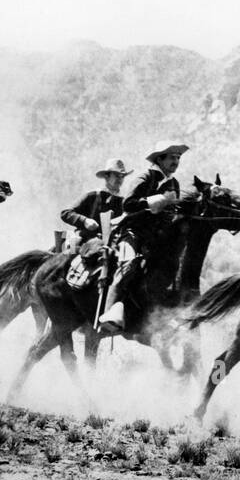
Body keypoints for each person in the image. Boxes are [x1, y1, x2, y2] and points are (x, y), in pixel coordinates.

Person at [96, 140, 189, 334]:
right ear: (160, 159)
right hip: (133, 232)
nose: (176, 161)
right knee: (128, 264)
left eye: (178, 157)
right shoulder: (145, 177)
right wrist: (154, 201)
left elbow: (171, 212)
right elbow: (128, 205)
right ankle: (108, 316)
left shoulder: (173, 183)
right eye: (172, 157)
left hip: (157, 236)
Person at [60, 157, 130, 250]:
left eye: (122, 176)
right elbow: (66, 213)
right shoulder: (93, 196)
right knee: (68, 256)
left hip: (110, 246)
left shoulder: (124, 202)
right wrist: (85, 221)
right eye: (117, 175)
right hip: (84, 244)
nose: (120, 179)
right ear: (107, 176)